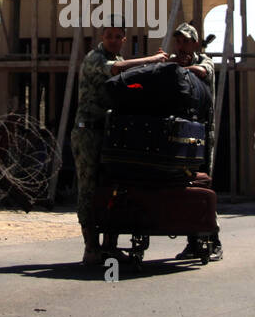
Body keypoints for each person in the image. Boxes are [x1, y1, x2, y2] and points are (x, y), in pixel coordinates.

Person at [72, 19, 167, 266]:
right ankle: (91, 248)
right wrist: (151, 60)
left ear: (124, 39)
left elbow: (128, 73)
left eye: (118, 36)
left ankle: (109, 247)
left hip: (109, 132)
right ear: (102, 37)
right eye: (109, 35)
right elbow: (117, 69)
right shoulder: (96, 58)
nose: (113, 39)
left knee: (114, 187)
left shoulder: (119, 59)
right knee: (89, 188)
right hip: (88, 133)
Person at [167, 22, 221, 260]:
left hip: (202, 137)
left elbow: (202, 72)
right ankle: (193, 240)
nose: (181, 46)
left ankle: (212, 239)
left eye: (186, 41)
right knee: (185, 187)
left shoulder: (204, 61)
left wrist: (179, 69)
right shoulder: (173, 60)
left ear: (195, 43)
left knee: (202, 187)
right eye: (178, 41)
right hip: (180, 136)